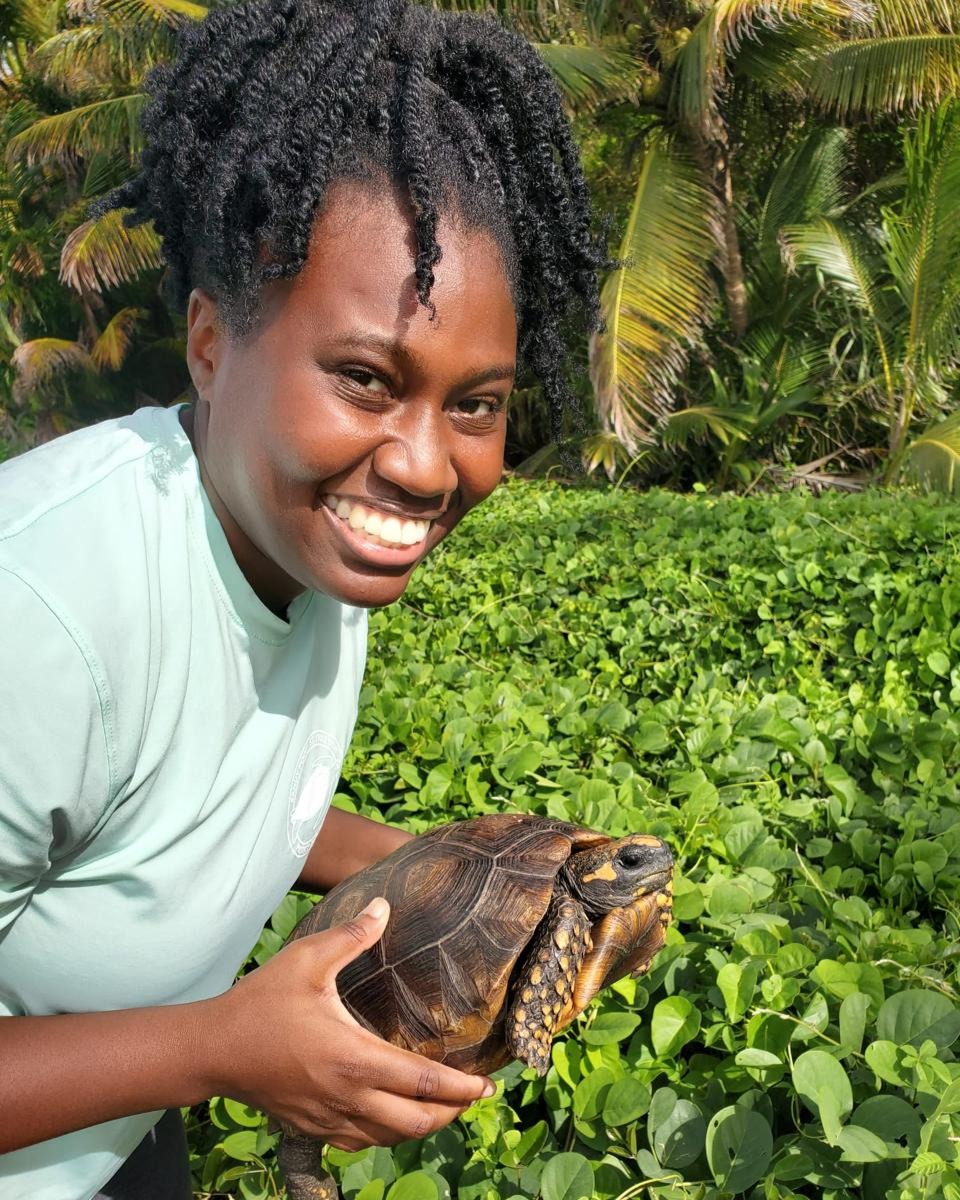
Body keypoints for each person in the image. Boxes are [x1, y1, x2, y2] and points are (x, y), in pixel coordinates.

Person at [0, 0, 607, 1196]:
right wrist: (225, 1048)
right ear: (212, 340)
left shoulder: (304, 538)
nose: (429, 466)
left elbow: (194, 799)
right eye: (366, 379)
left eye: (475, 404)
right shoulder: (46, 611)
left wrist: (506, 887)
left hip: (118, 1123)